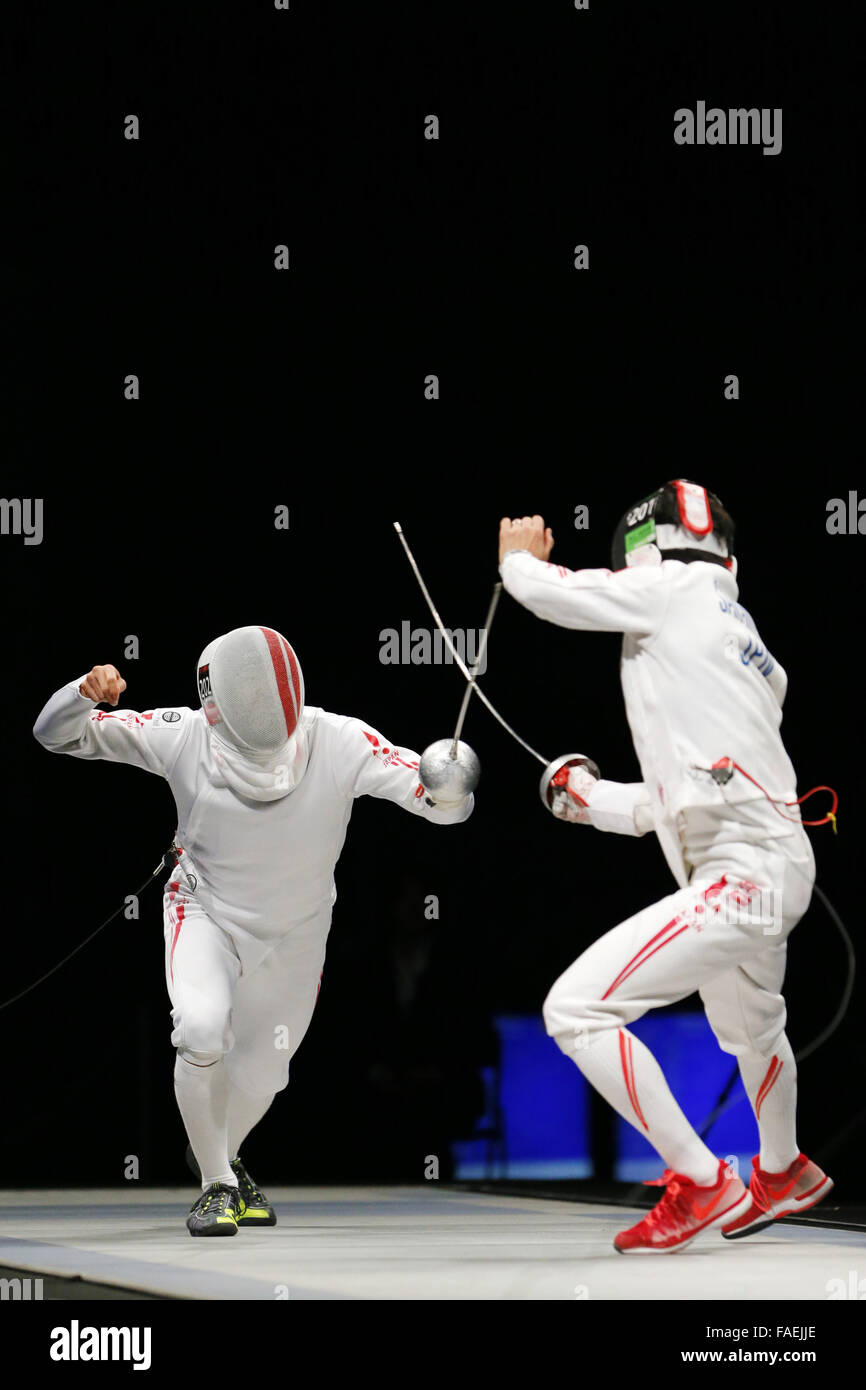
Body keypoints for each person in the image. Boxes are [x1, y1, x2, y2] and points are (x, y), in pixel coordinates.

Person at [33, 625, 473, 1236]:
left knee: (269, 1070)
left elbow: (433, 800)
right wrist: (82, 693)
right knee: (202, 1027)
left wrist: (449, 788)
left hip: (297, 930)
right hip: (205, 912)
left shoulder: (340, 740)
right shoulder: (181, 734)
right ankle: (217, 1183)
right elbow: (55, 734)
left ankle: (219, 1152)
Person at [498, 483, 832, 1253]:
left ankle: (703, 1180)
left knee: (576, 1010)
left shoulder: (673, 588)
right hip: (760, 865)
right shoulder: (745, 640)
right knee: (752, 1029)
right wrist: (589, 799)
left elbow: (554, 595)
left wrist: (518, 562)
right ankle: (782, 1172)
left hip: (743, 876)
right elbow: (681, 793)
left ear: (645, 544)